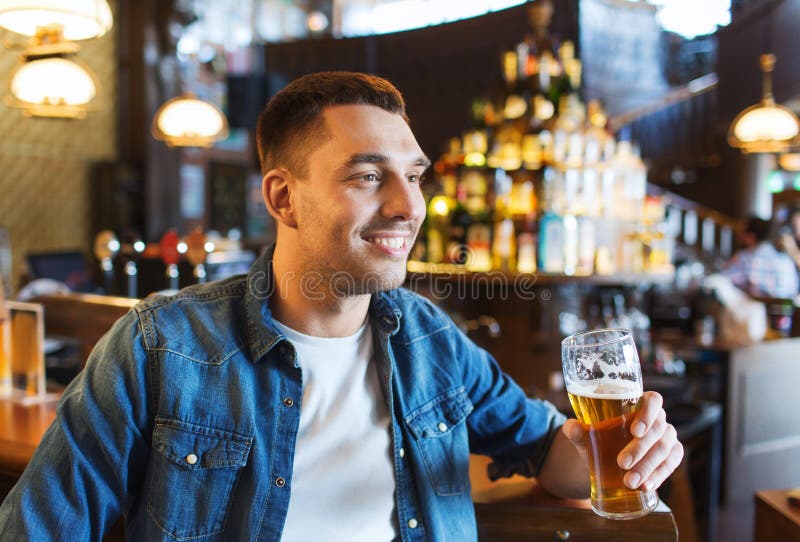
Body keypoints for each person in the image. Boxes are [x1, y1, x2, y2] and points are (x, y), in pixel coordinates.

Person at [0, 72, 683, 541]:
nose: (407, 206)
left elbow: (548, 453)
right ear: (281, 197)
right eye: (367, 176)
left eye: (413, 176)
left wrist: (613, 449)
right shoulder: (160, 345)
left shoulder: (430, 341)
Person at [722, 216, 799, 299]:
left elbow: (724, 280)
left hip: (754, 308)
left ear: (751, 236)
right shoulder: (785, 259)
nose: (740, 237)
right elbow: (793, 290)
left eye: (742, 233)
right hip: (786, 309)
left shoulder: (746, 257)